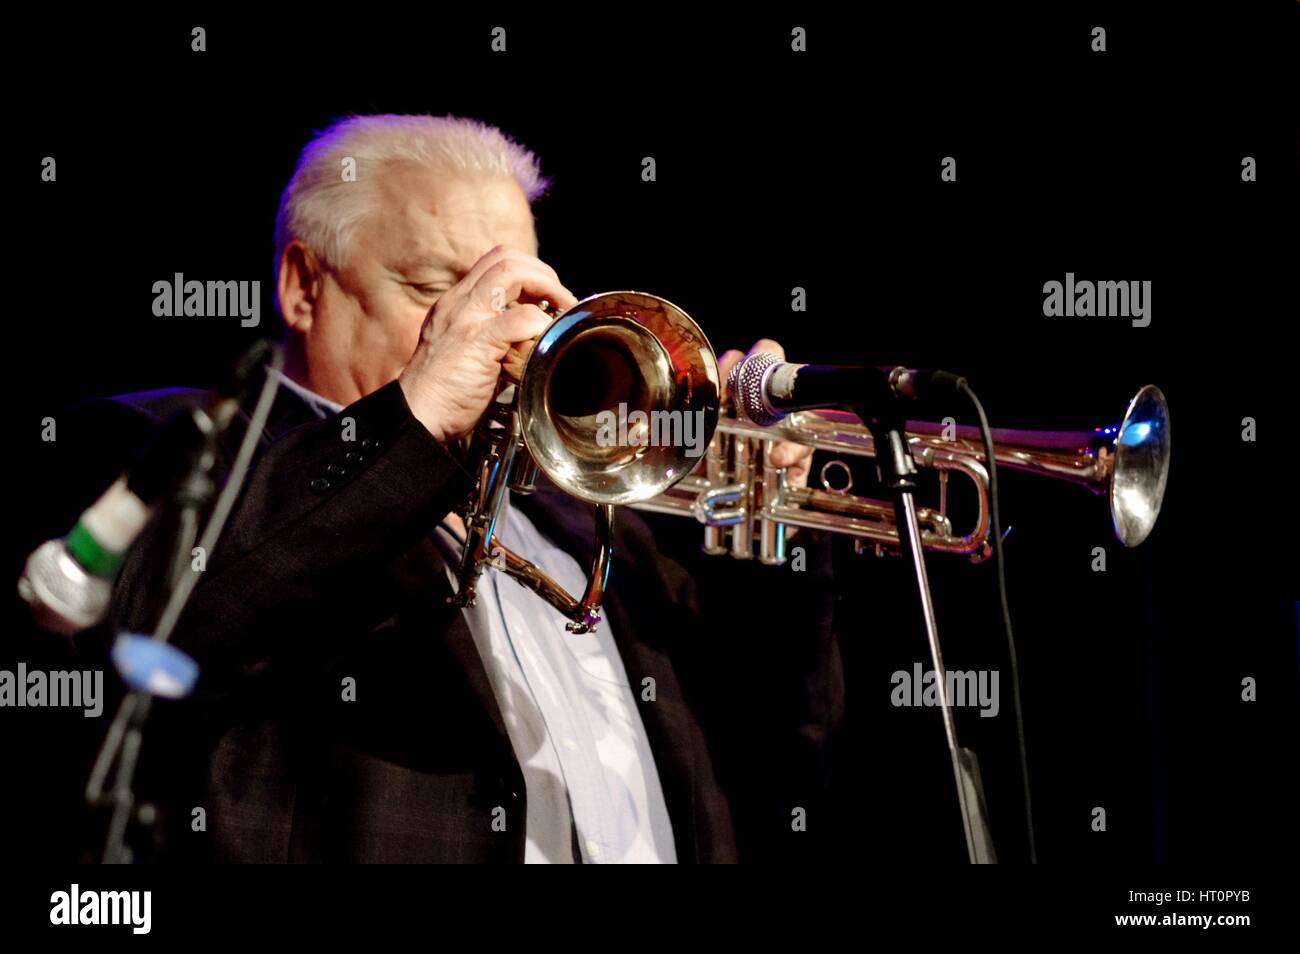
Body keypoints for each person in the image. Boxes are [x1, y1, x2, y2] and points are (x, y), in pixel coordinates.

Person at [28, 114, 842, 863]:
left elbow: (779, 748)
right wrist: (415, 418)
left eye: (518, 300)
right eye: (433, 292)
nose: (497, 334)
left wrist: (762, 537)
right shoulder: (172, 445)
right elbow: (157, 624)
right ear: (304, 286)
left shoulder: (584, 516)